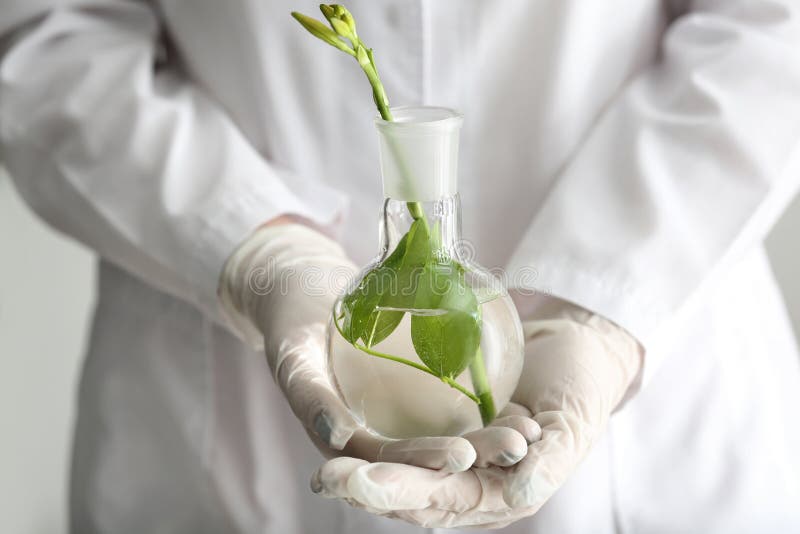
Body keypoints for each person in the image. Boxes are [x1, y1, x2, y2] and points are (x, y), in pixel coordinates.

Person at [1, 0, 799, 532]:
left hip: (660, 400)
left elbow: (772, 29)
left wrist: (598, 309)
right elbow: (50, 35)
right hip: (219, 435)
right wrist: (254, 244)